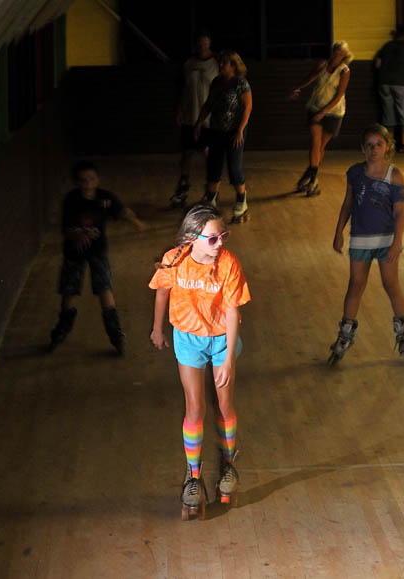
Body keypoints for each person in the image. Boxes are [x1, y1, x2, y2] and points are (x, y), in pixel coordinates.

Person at [149, 204, 251, 520]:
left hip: (222, 338)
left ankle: (229, 465)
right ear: (192, 238)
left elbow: (233, 310)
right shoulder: (174, 260)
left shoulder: (229, 263)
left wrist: (229, 360)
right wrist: (157, 328)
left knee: (224, 405)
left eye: (223, 236)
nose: (220, 243)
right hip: (188, 337)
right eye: (213, 238)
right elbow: (162, 293)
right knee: (195, 408)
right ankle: (193, 476)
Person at [328, 124, 404, 366]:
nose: (373, 149)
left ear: (387, 146)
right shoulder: (355, 174)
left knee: (391, 285)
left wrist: (396, 243)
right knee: (355, 285)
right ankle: (345, 333)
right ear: (362, 149)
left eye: (379, 144)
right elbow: (348, 204)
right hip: (360, 239)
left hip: (386, 240)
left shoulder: (394, 176)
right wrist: (338, 233)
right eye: (369, 145)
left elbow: (400, 214)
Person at [48, 160, 146, 354]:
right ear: (76, 182)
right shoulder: (71, 200)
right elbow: (65, 228)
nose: (88, 184)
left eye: (91, 179)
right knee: (70, 291)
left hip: (97, 252)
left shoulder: (105, 197)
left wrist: (136, 222)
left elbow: (121, 211)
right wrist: (76, 235)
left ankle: (115, 333)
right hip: (74, 253)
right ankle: (62, 328)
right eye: (83, 180)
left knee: (104, 289)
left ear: (97, 180)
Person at [194, 51, 252, 223]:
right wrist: (199, 122)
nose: (220, 65)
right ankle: (211, 199)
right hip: (216, 130)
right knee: (214, 165)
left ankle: (242, 199)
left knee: (234, 167)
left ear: (233, 66)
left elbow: (248, 107)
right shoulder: (216, 82)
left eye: (224, 63)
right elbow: (208, 105)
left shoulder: (241, 83)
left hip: (235, 132)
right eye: (220, 62)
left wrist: (241, 129)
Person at [289, 41, 353, 197]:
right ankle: (313, 181)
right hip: (315, 107)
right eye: (336, 50)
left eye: (340, 52)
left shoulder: (344, 71)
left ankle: (310, 173)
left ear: (345, 55)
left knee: (320, 147)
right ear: (332, 51)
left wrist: (324, 112)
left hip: (334, 112)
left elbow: (339, 95)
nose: (337, 53)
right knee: (315, 143)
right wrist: (297, 87)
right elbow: (309, 78)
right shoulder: (322, 65)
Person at [170, 30, 219, 207]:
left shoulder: (216, 63)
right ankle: (182, 189)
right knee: (187, 153)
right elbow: (182, 89)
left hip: (208, 118)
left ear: (209, 44)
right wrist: (179, 109)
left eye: (205, 43)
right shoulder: (188, 64)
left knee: (208, 153)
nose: (202, 46)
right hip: (190, 116)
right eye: (200, 43)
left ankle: (211, 190)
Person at [374, 29, 404, 153]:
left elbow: (378, 64)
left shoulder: (387, 46)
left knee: (388, 113)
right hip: (403, 83)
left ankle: (389, 143)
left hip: (384, 82)